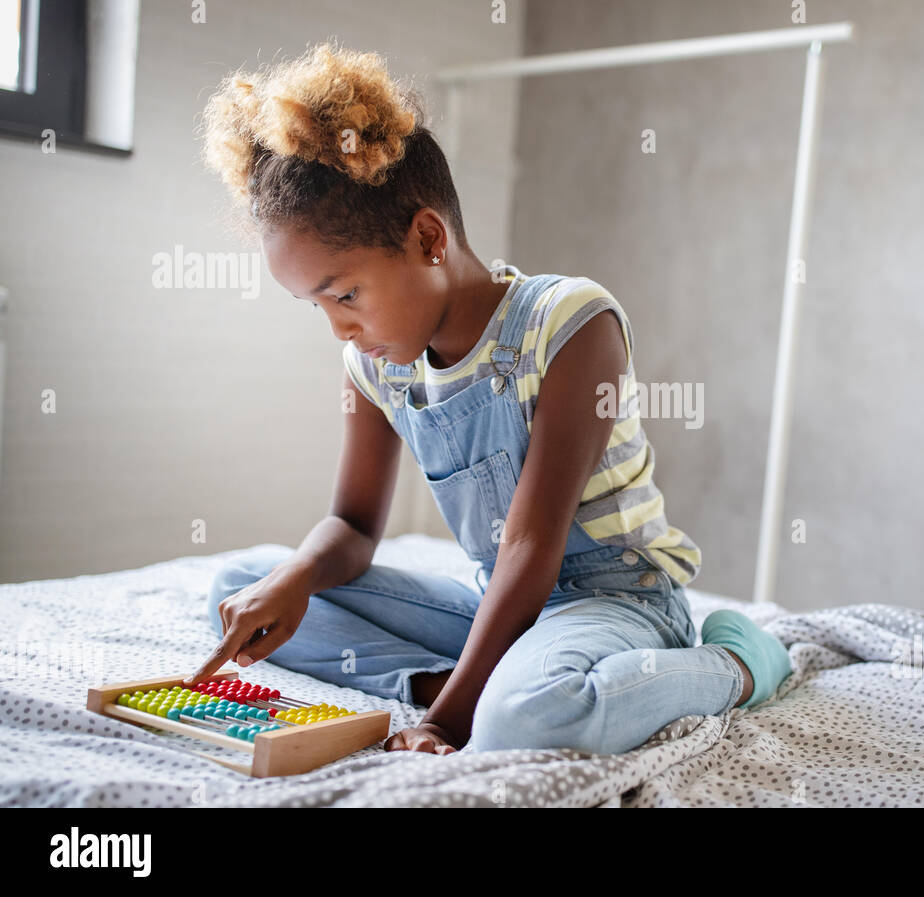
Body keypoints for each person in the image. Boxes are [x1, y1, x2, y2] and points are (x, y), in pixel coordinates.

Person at [184, 42, 791, 755]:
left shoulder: (571, 325)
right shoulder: (374, 365)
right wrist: (294, 579)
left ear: (428, 238)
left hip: (617, 601)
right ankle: (446, 680)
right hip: (502, 604)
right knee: (240, 584)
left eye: (345, 295)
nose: (339, 328)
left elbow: (532, 546)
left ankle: (739, 663)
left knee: (528, 715)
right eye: (316, 306)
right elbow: (350, 526)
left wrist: (447, 726)